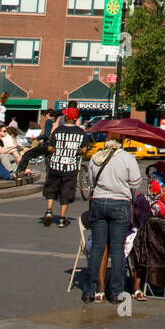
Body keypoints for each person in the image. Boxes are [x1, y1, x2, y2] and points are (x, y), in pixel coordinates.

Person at [82, 138, 141, 305]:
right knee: (117, 250)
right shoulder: (127, 158)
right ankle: (115, 292)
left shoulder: (96, 157)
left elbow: (91, 182)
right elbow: (136, 182)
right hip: (120, 203)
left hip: (99, 202)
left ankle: (89, 291)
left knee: (97, 249)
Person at [42, 107, 87, 227]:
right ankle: (62, 218)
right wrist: (75, 151)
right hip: (70, 167)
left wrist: (57, 150)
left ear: (66, 117)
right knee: (66, 192)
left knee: (51, 189)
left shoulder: (57, 130)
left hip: (55, 165)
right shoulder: (81, 132)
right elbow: (84, 149)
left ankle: (49, 210)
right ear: (76, 118)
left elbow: (50, 148)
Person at [15, 108, 59, 179]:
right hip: (54, 145)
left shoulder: (48, 121)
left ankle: (19, 172)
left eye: (45, 115)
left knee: (27, 154)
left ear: (48, 114)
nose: (45, 117)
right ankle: (50, 179)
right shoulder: (57, 122)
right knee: (48, 161)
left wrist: (37, 138)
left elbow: (46, 135)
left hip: (47, 145)